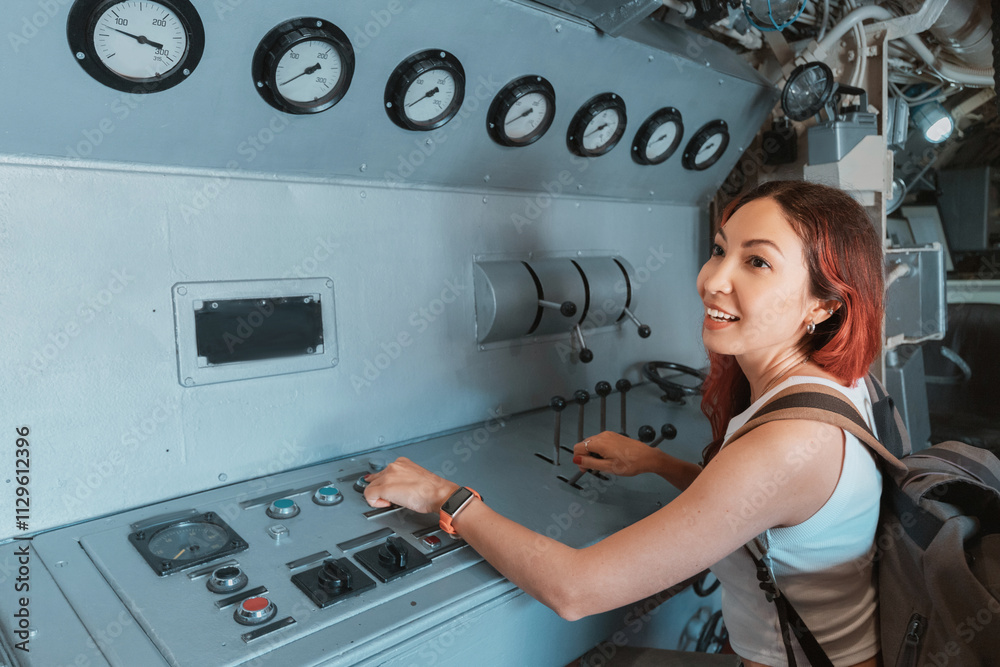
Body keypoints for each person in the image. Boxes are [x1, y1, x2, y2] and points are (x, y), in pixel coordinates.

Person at [363, 180, 885, 667]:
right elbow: (760, 508)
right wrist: (657, 462)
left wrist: (444, 497)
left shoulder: (788, 441)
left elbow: (576, 590)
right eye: (721, 250)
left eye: (757, 262)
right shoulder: (830, 387)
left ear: (824, 304)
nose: (713, 281)